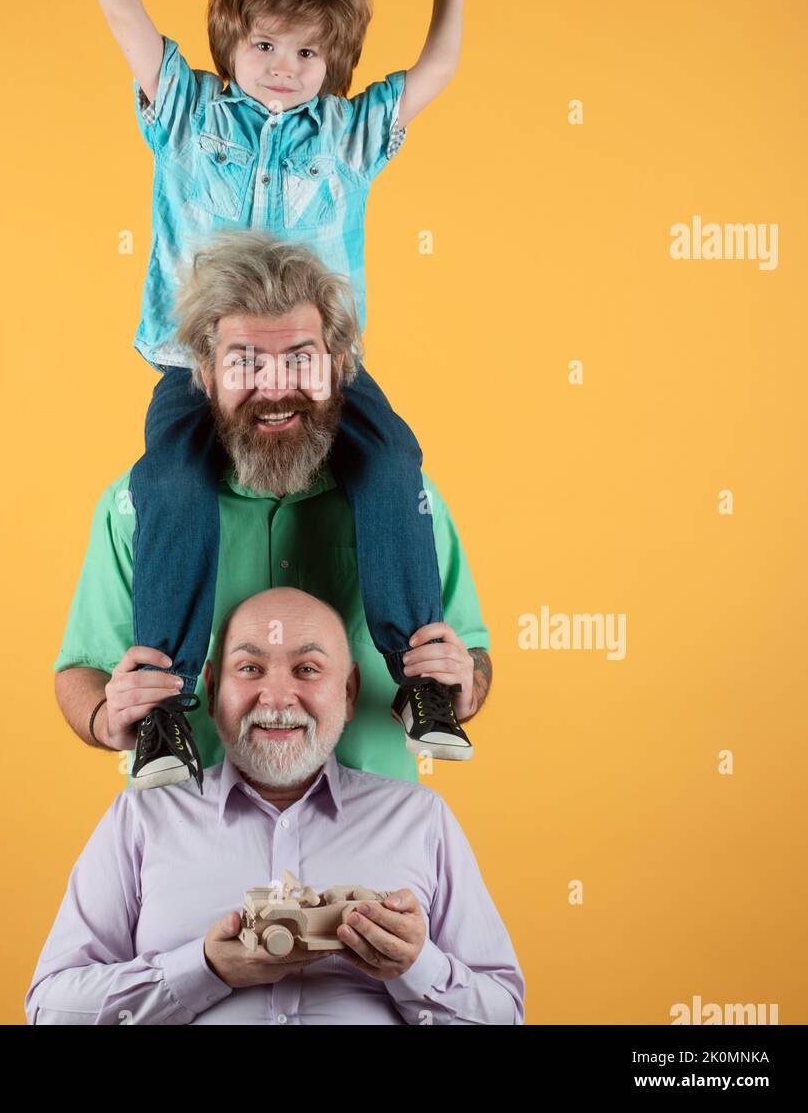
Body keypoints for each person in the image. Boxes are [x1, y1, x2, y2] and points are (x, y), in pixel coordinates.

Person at [31, 0, 492, 787]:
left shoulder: (347, 135)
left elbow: (433, 75)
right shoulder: (190, 115)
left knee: (395, 464)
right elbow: (126, 21)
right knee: (172, 480)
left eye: (309, 52)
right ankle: (163, 708)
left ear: (335, 64)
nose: (284, 65)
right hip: (199, 369)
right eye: (266, 44)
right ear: (230, 47)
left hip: (327, 371)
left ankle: (419, 686)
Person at [54, 231, 493, 789]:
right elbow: (80, 670)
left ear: (337, 369)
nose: (275, 387)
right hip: (192, 832)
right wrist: (103, 715)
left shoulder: (408, 498)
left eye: (301, 360)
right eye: (244, 363)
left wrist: (466, 682)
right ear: (206, 377)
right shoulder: (135, 508)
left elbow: (473, 649)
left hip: (372, 835)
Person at [27, 587, 523, 1026]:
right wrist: (203, 969)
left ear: (348, 692)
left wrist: (416, 967)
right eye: (250, 668)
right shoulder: (141, 819)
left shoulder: (419, 818)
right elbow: (50, 1010)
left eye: (308, 669)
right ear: (214, 687)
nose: (279, 697)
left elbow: (504, 1013)